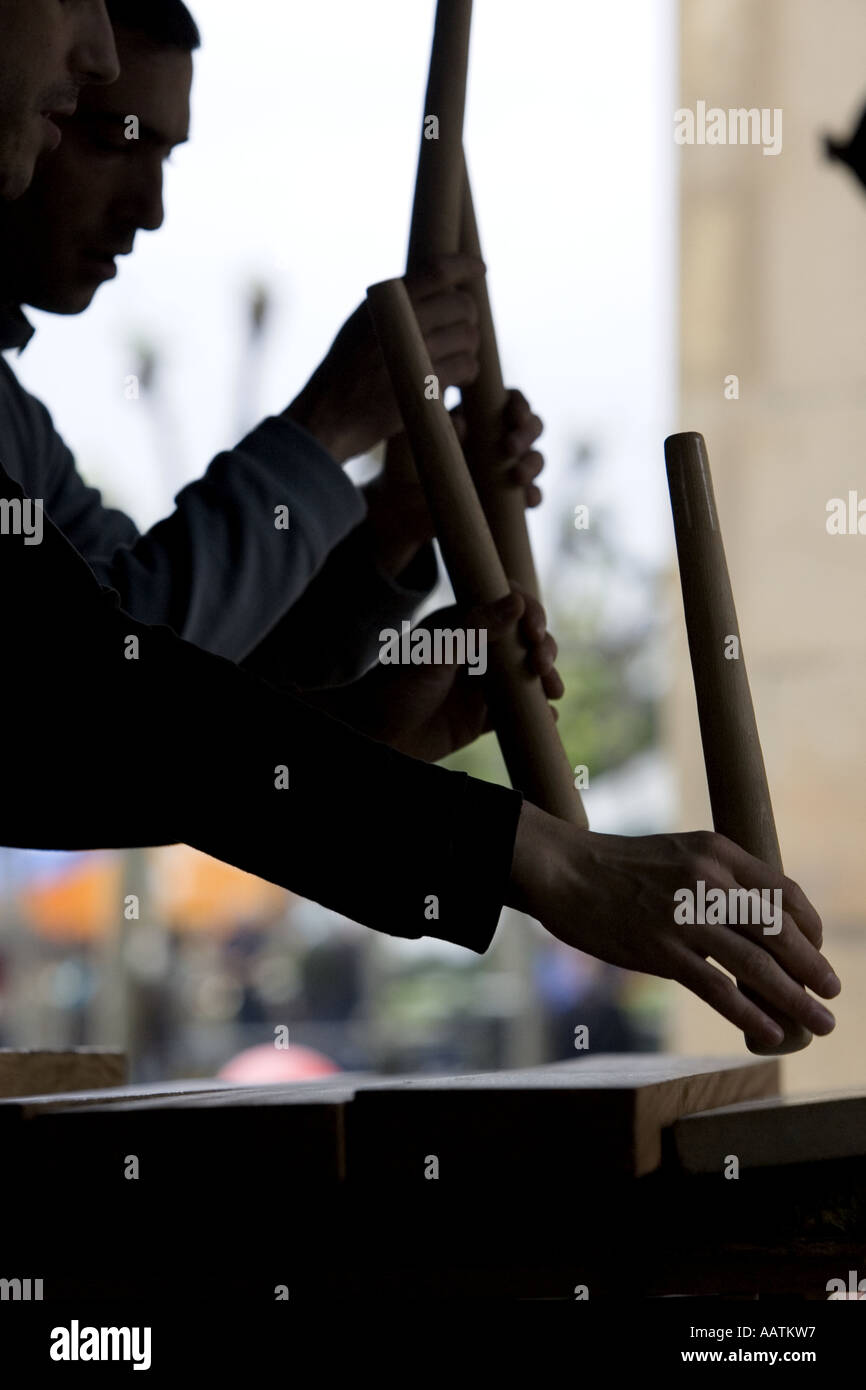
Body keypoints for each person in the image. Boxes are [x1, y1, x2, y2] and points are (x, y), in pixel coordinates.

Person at [0, 0, 840, 1051]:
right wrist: (539, 857)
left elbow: (133, 683)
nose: (88, 54)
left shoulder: (10, 417)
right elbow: (92, 681)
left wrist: (385, 560)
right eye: (107, 128)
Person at [0, 0, 547, 686]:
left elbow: (196, 662)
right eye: (111, 141)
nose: (151, 210)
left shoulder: (17, 424)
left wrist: (391, 523)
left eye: (167, 155)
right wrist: (327, 428)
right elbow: (112, 668)